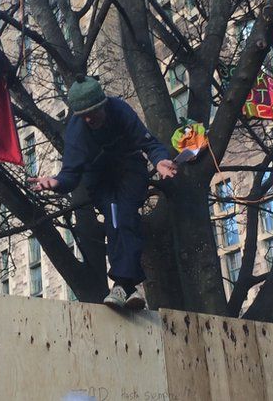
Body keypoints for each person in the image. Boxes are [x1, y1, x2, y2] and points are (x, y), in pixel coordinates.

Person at [27, 76, 177, 310]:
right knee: (116, 219)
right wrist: (55, 182)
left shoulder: (121, 110)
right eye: (84, 115)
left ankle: (122, 285)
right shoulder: (77, 130)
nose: (89, 119)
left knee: (124, 214)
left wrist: (159, 161)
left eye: (94, 112)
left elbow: (150, 143)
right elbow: (70, 174)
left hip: (129, 169)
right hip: (100, 180)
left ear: (103, 104)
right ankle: (127, 287)